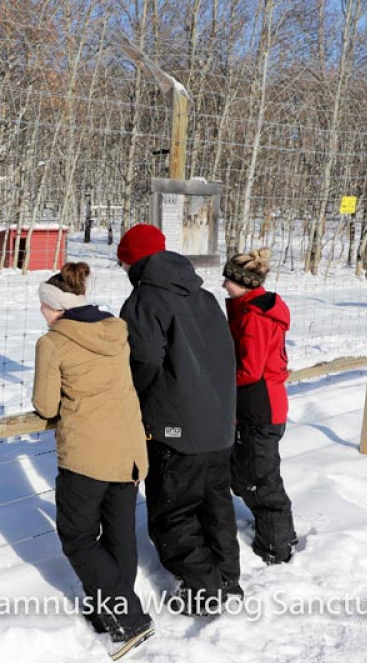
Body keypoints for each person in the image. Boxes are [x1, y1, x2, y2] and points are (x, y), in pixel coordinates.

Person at [115, 224, 241, 614]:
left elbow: (145, 359)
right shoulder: (203, 295)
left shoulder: (143, 301)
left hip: (177, 428)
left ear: (132, 261)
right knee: (215, 505)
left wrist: (130, 398)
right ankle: (227, 579)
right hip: (218, 424)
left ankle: (203, 591)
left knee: (173, 512)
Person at [32, 262, 154, 660]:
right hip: (128, 450)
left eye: (44, 306)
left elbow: (45, 404)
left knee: (79, 537)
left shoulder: (53, 342)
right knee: (119, 536)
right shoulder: (115, 330)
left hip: (86, 455)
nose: (42, 313)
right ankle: (110, 614)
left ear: (57, 306)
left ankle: (128, 619)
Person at [222, 249, 298, 564]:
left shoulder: (254, 316)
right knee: (245, 475)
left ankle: (276, 546)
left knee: (261, 479)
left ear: (243, 282)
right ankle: (280, 531)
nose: (224, 284)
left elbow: (250, 369)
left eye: (229, 279)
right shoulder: (252, 309)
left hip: (260, 408)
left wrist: (218, 382)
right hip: (261, 405)